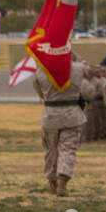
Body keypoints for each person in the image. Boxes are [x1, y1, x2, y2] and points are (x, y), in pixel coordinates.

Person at [33, 55, 89, 196]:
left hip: (51, 114)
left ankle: (52, 183)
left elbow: (39, 91)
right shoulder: (77, 68)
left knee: (51, 150)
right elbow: (88, 70)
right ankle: (62, 183)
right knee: (68, 149)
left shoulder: (41, 70)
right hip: (71, 114)